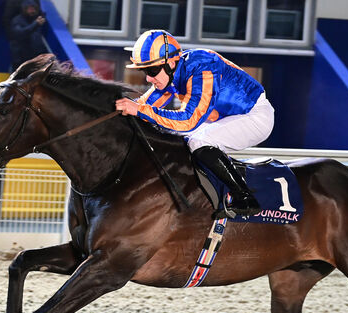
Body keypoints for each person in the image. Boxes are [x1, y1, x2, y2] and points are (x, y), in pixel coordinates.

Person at [114, 29, 275, 218]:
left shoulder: (203, 67)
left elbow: (188, 121)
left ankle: (245, 199)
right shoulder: (171, 73)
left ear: (171, 62)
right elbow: (144, 105)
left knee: (198, 141)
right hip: (224, 118)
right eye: (145, 71)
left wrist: (139, 110)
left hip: (255, 116)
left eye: (152, 71)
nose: (148, 78)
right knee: (176, 138)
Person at [9, 0, 47, 69]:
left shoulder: (37, 20)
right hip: (21, 57)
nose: (32, 11)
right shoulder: (17, 20)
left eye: (34, 8)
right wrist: (35, 24)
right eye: (30, 9)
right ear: (24, 9)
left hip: (35, 56)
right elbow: (20, 33)